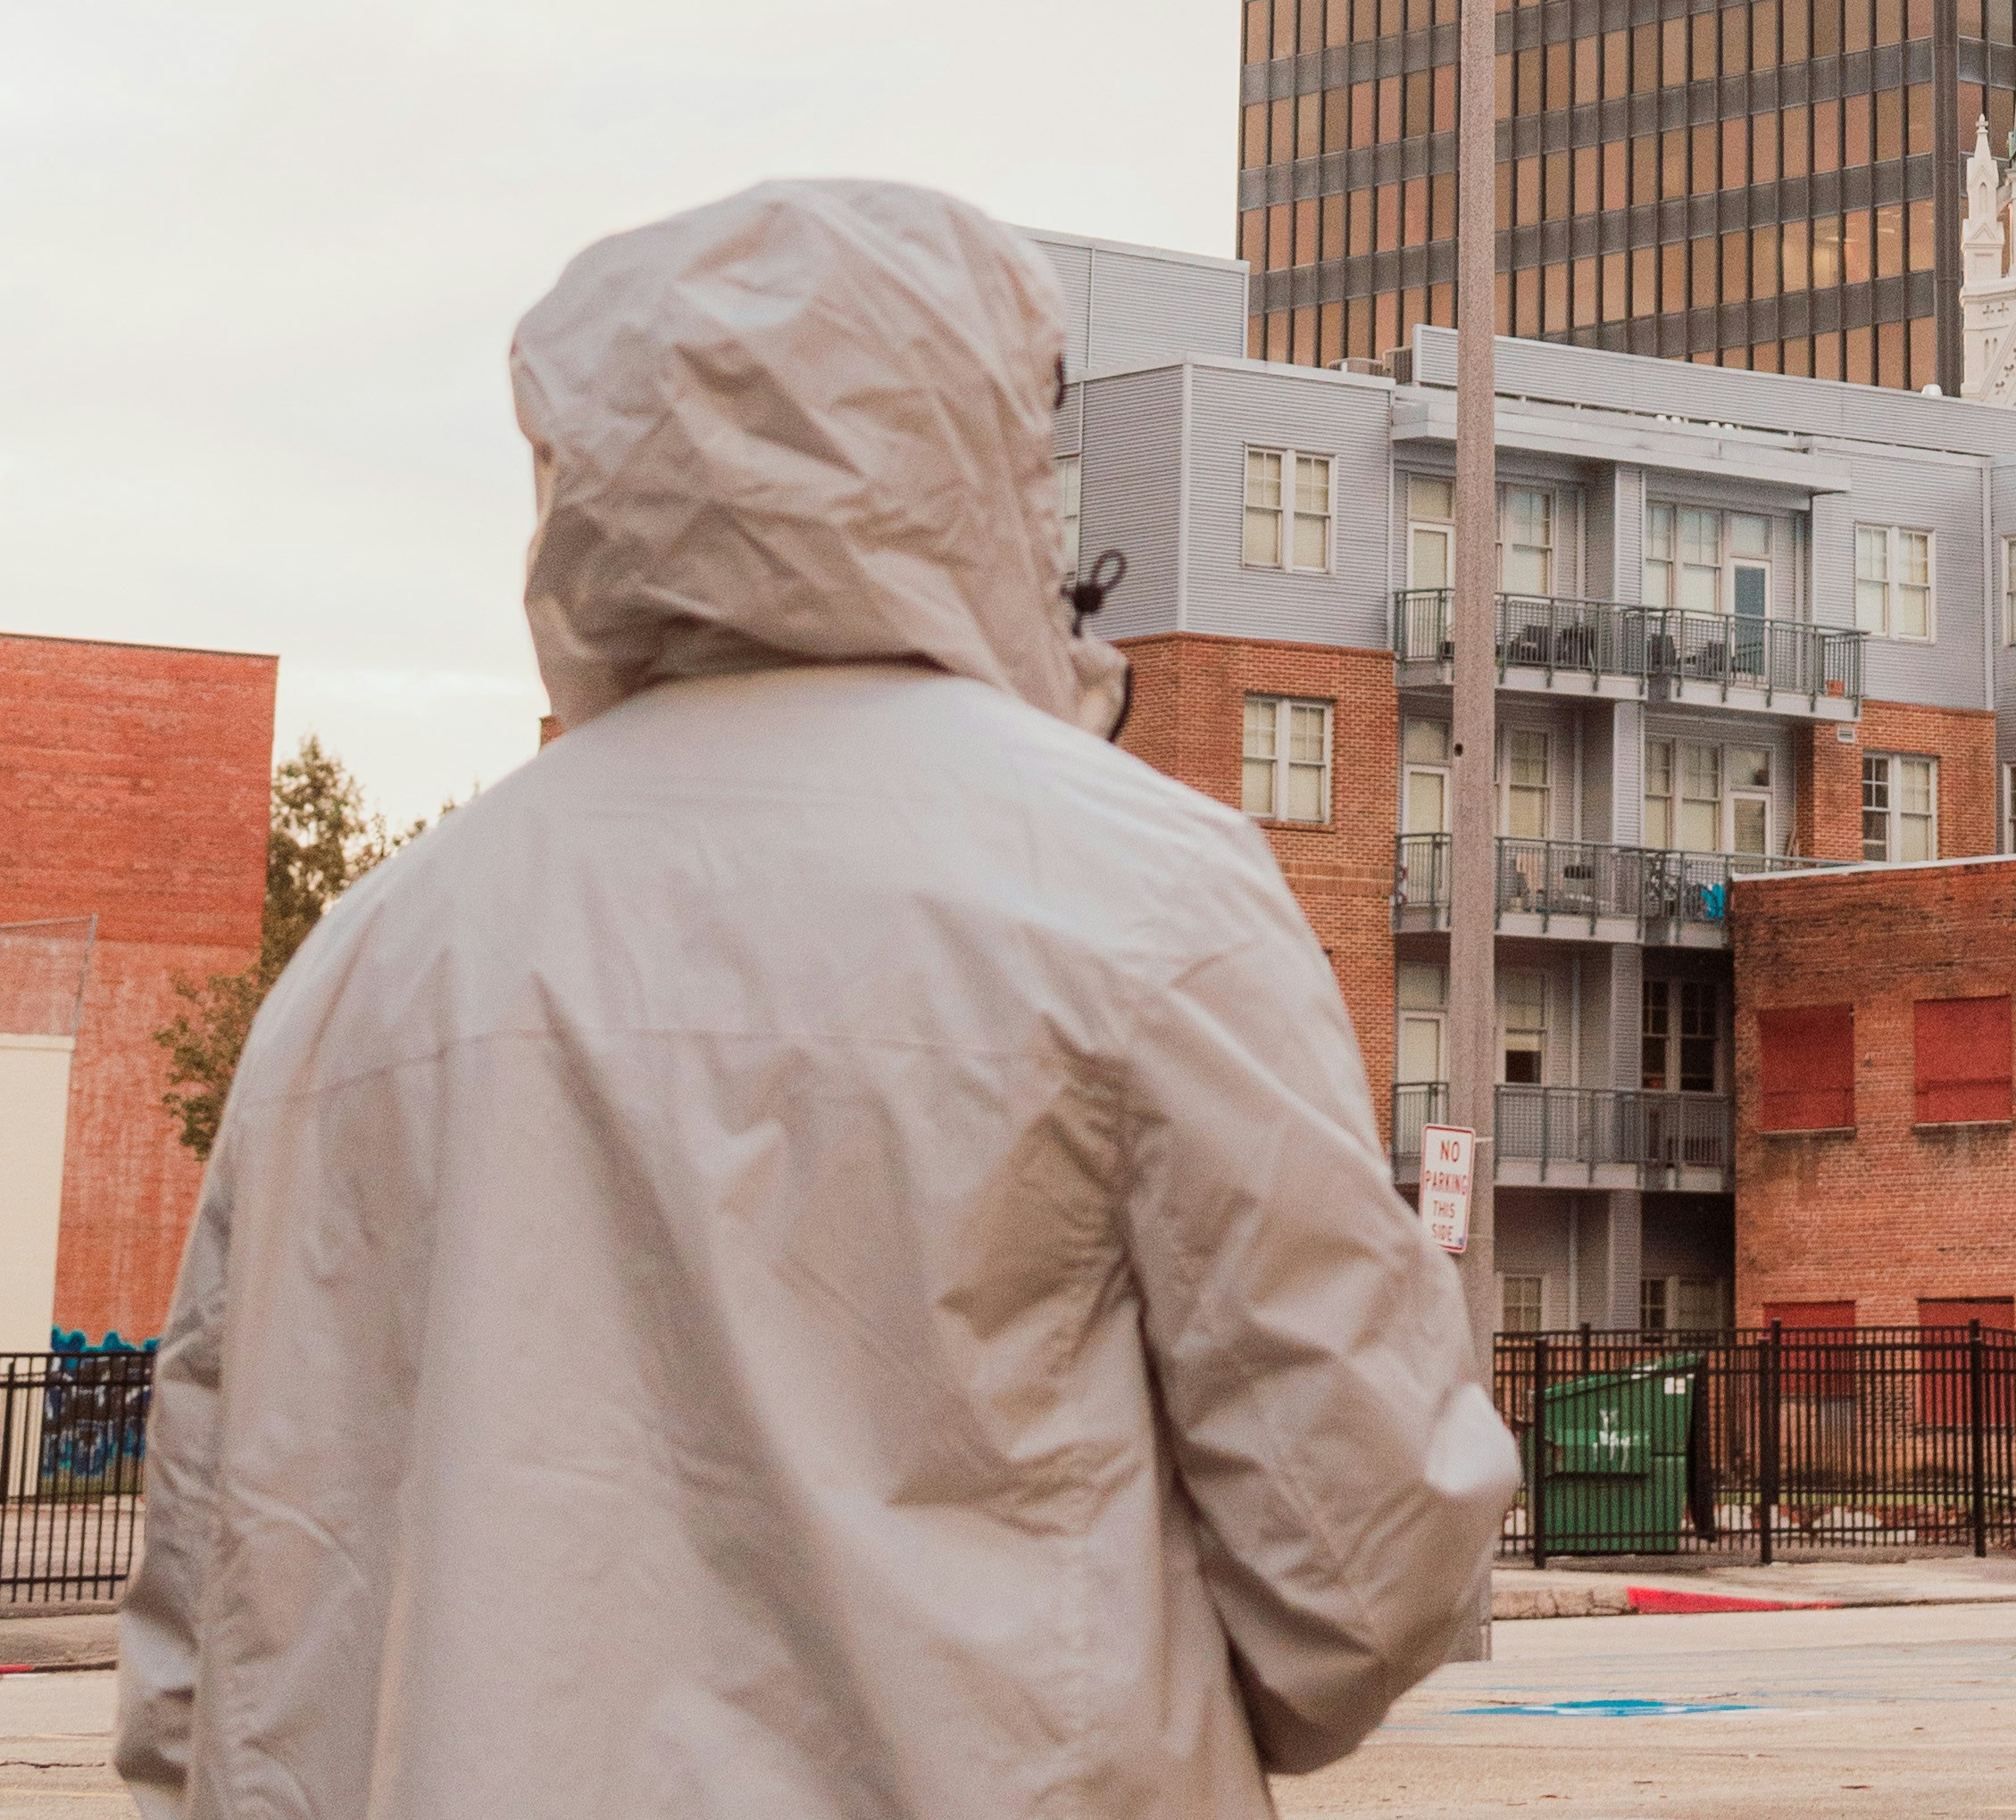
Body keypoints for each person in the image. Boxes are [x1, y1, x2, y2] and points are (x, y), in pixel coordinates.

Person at [118, 176, 1512, 1814]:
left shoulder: (371, 958)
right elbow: (1363, 1550)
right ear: (984, 457)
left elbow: (210, 1629)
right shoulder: (1141, 895)